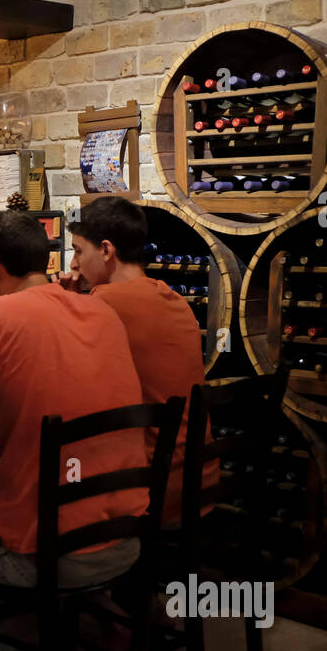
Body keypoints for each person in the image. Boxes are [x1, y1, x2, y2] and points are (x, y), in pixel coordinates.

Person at [0, 210, 149, 651]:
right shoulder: (101, 311)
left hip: (55, 553)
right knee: (1, 499)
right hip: (125, 537)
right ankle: (37, 644)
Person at [66, 196, 220, 528]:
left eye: (79, 250)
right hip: (198, 480)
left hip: (148, 488)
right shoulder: (174, 298)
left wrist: (64, 301)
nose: (74, 264)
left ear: (106, 250)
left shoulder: (101, 304)